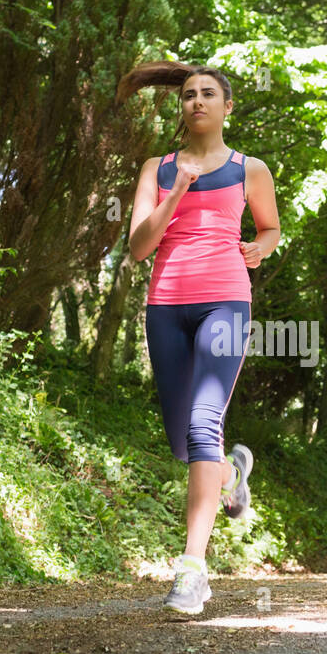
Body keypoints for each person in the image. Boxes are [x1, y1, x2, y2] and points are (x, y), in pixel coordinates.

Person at [116, 61, 281, 615]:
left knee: (202, 422)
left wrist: (262, 247)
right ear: (181, 108)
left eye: (209, 94)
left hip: (225, 302)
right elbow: (139, 247)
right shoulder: (157, 169)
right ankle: (233, 473)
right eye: (188, 95)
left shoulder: (248, 169)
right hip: (165, 305)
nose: (197, 102)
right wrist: (176, 191)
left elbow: (269, 226)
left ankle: (192, 569)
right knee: (182, 442)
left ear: (227, 106)